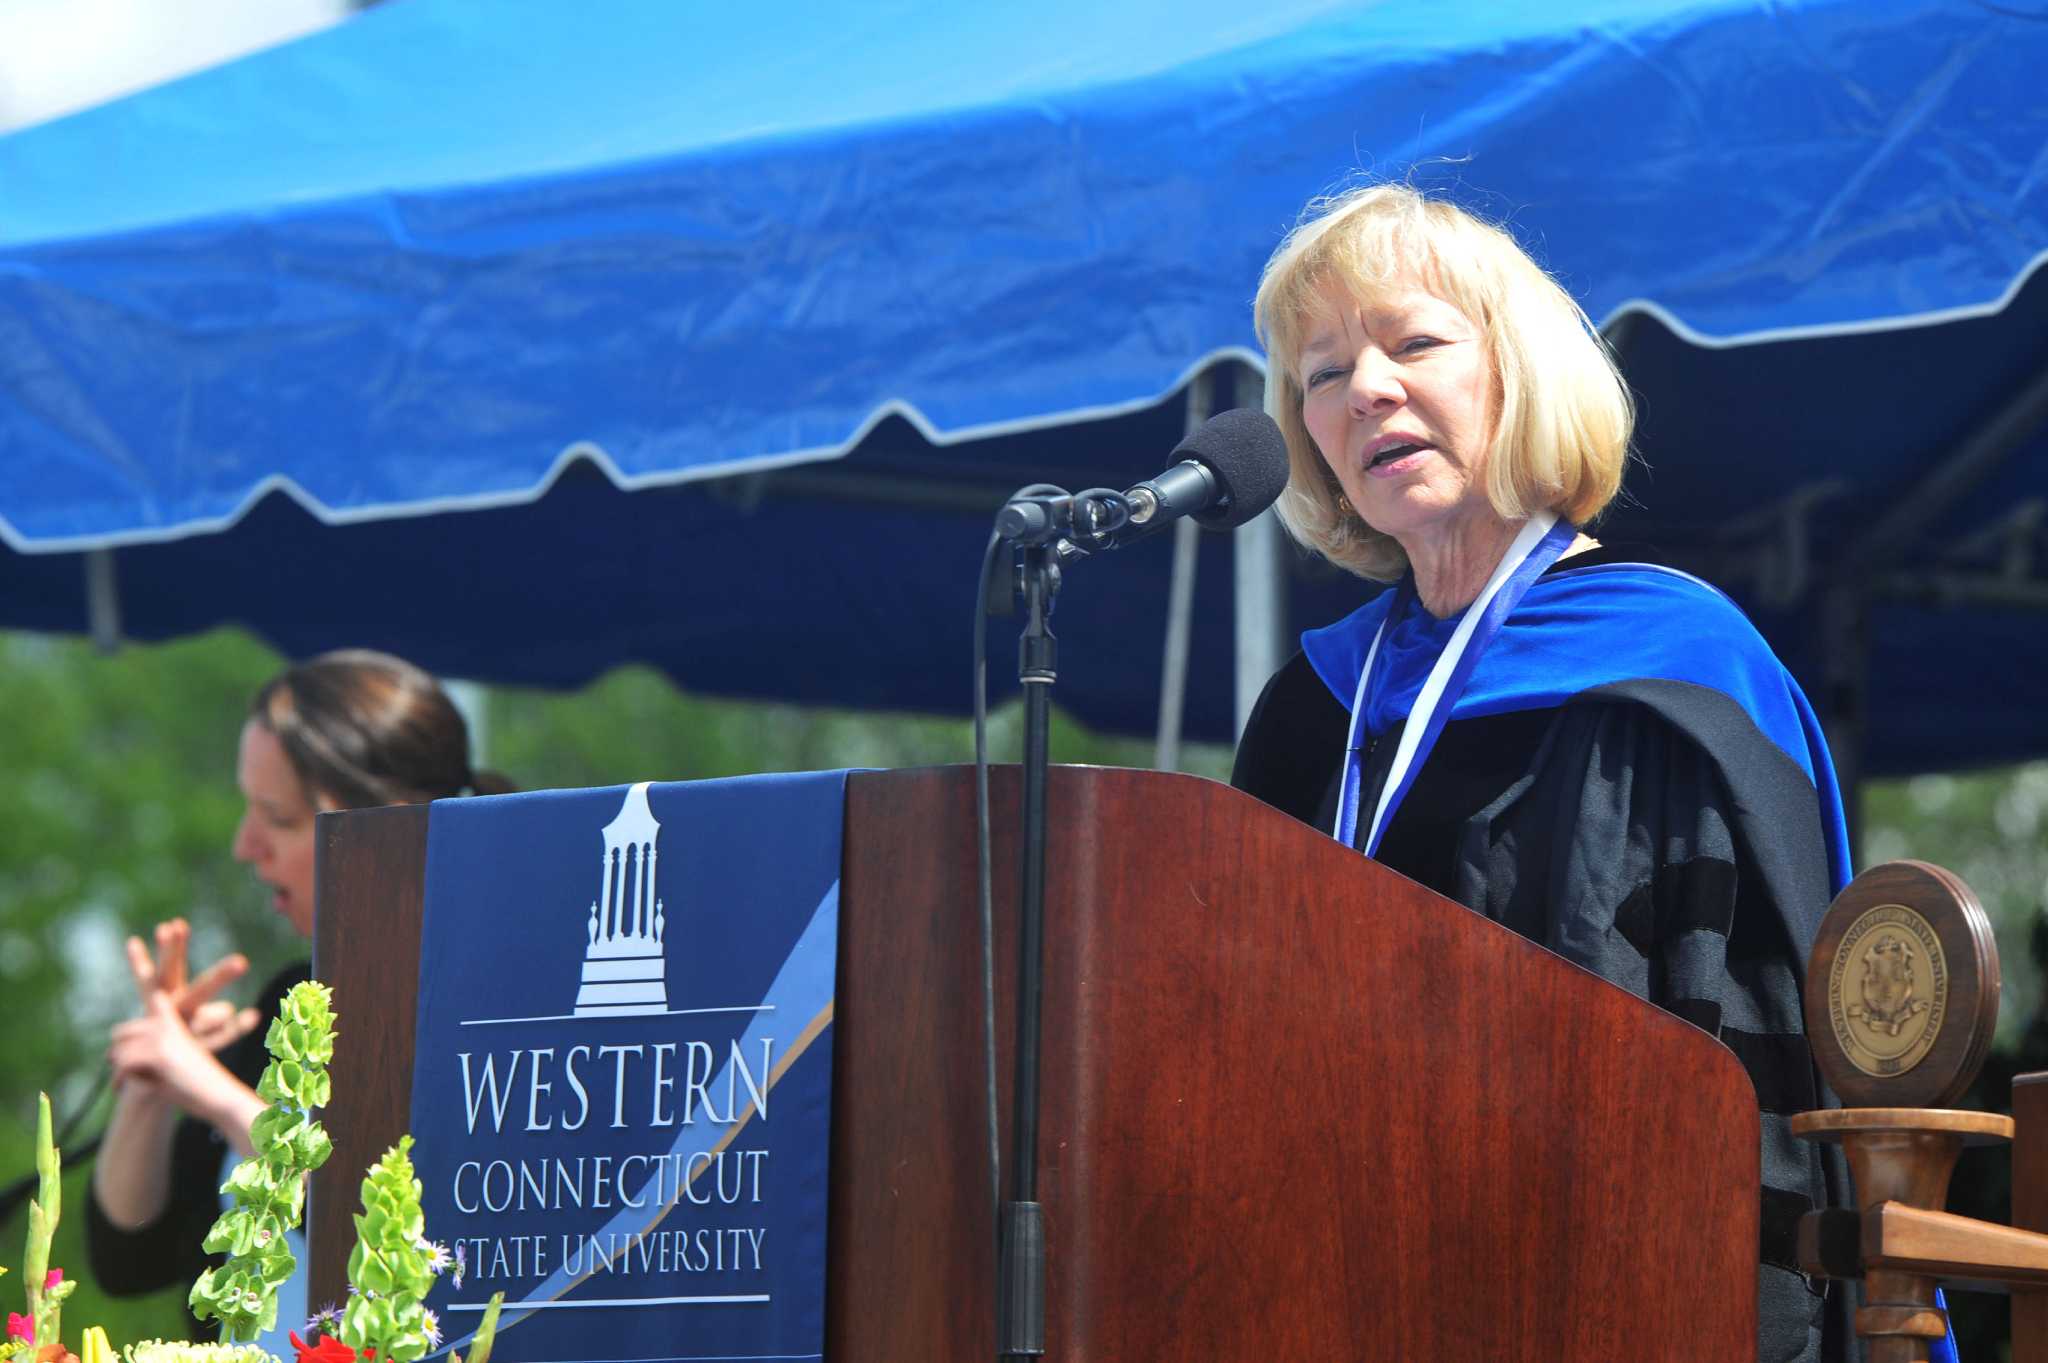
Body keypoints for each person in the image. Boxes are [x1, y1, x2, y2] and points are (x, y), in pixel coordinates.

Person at [1231, 183, 1853, 1363]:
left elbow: (1749, 1050)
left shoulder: (1678, 673)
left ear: (1516, 374)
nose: (1364, 389)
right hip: (1329, 1286)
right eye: (1321, 374)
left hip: (1599, 1292)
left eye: (1413, 342)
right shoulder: (1313, 709)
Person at [88, 650, 511, 1342]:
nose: (243, 845)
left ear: (379, 822)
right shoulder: (292, 995)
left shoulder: (477, 1009)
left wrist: (223, 1101)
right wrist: (154, 1084)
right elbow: (128, 1259)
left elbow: (403, 1241)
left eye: (276, 818)